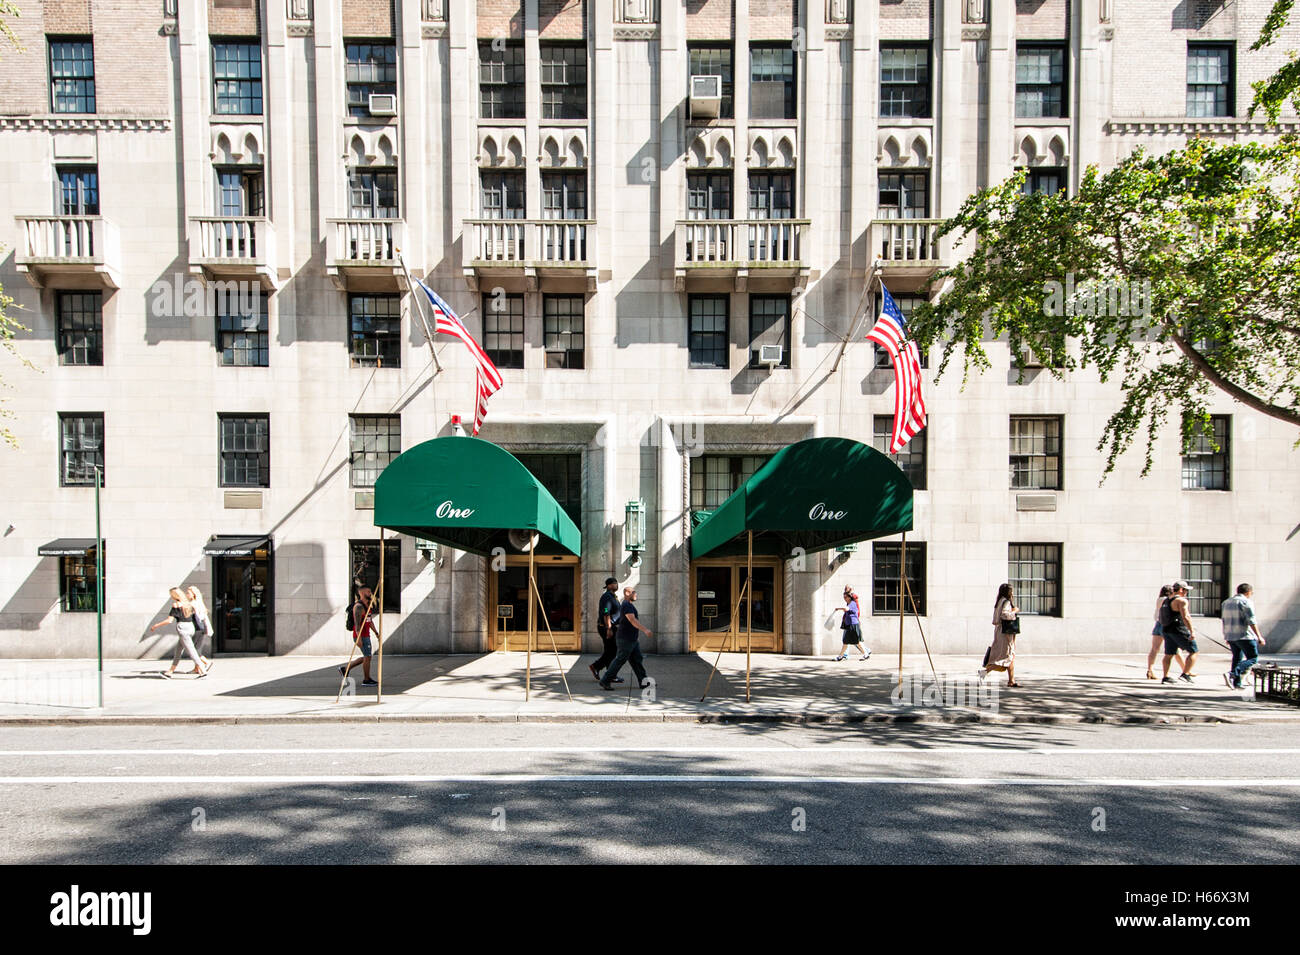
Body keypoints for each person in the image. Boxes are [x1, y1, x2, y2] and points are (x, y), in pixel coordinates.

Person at [149, 587, 209, 679]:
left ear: (174, 595)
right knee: (178, 651)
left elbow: (169, 621)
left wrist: (156, 625)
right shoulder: (188, 604)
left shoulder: (176, 605)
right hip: (191, 628)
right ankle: (170, 672)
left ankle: (203, 671)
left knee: (191, 651)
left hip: (183, 629)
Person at [599, 586, 651, 691]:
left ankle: (643, 682)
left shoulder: (629, 605)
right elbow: (632, 620)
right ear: (627, 593)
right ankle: (605, 680)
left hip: (631, 639)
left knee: (637, 660)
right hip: (626, 639)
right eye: (634, 592)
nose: (636, 594)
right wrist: (645, 630)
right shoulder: (627, 605)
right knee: (620, 660)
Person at [1222, 583, 1265, 690]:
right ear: (1248, 592)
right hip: (1244, 635)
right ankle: (1232, 673)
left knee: (1237, 658)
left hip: (1231, 635)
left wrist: (1226, 635)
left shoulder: (1226, 602)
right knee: (1253, 658)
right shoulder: (1246, 602)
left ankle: (1236, 683)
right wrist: (1259, 636)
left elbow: (1224, 620)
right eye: (1251, 593)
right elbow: (1251, 620)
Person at [980, 583, 1021, 687]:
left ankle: (1011, 680)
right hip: (1005, 633)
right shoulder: (1006, 602)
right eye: (1011, 591)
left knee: (1009, 656)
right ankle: (985, 672)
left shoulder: (999, 601)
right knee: (1006, 656)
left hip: (1000, 631)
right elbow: (1005, 615)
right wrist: (1014, 611)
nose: (1012, 593)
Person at [1159, 580, 1198, 684]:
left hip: (1167, 629)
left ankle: (1165, 676)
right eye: (1185, 590)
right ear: (1181, 590)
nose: (1186, 592)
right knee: (1193, 651)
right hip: (1179, 629)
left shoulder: (1166, 600)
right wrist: (1192, 631)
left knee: (1169, 654)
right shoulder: (1182, 601)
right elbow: (1186, 616)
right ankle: (1185, 673)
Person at [340, 585, 379, 687]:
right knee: (367, 656)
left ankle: (345, 669)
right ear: (361, 593)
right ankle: (366, 679)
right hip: (361, 636)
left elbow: (369, 621)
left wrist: (376, 633)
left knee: (367, 657)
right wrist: (359, 638)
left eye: (370, 591)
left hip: (366, 635)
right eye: (368, 592)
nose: (370, 593)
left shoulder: (367, 606)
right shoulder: (358, 607)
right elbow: (357, 625)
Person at [589, 576, 623, 684]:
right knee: (612, 651)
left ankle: (610, 674)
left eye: (616, 583)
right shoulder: (607, 597)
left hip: (611, 627)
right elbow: (606, 612)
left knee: (611, 651)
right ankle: (596, 667)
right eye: (613, 583)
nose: (616, 585)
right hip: (607, 627)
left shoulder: (613, 596)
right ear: (608, 585)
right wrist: (609, 628)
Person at [831, 586, 871, 661]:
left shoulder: (852, 603)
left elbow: (846, 609)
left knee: (856, 642)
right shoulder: (849, 604)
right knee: (846, 641)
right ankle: (841, 656)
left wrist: (838, 608)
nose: (844, 598)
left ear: (849, 597)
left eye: (846, 597)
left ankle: (866, 654)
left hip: (853, 625)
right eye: (844, 597)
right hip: (849, 625)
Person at [1145, 584, 1173, 680]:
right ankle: (1185, 670)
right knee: (1175, 648)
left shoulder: (1159, 599)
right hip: (1165, 624)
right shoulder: (1167, 600)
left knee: (1154, 649)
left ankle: (1150, 669)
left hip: (1157, 623)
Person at [186, 585, 214, 673]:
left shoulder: (193, 604)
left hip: (198, 629)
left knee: (194, 650)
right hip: (199, 628)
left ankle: (206, 662)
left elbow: (199, 617)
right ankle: (196, 668)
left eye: (188, 593)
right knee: (196, 648)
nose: (187, 594)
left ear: (193, 594)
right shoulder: (198, 603)